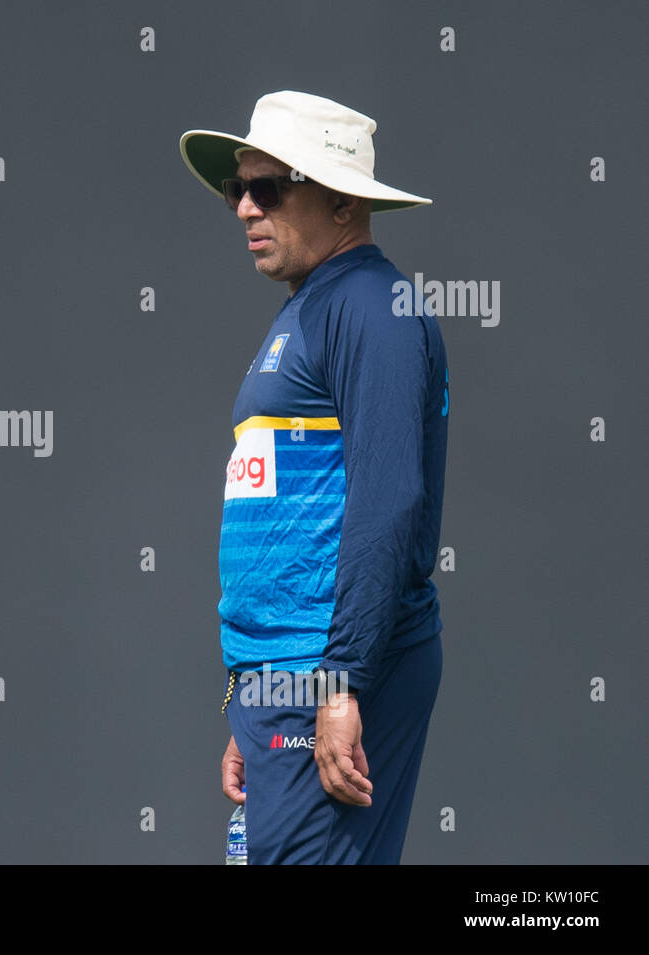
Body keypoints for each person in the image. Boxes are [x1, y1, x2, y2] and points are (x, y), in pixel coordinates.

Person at [179, 91, 449, 863]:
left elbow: (388, 501)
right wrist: (252, 704)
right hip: (285, 678)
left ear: (339, 200)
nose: (243, 208)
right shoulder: (313, 306)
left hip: (325, 671)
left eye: (269, 188)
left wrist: (337, 686)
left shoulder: (370, 305)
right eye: (238, 189)